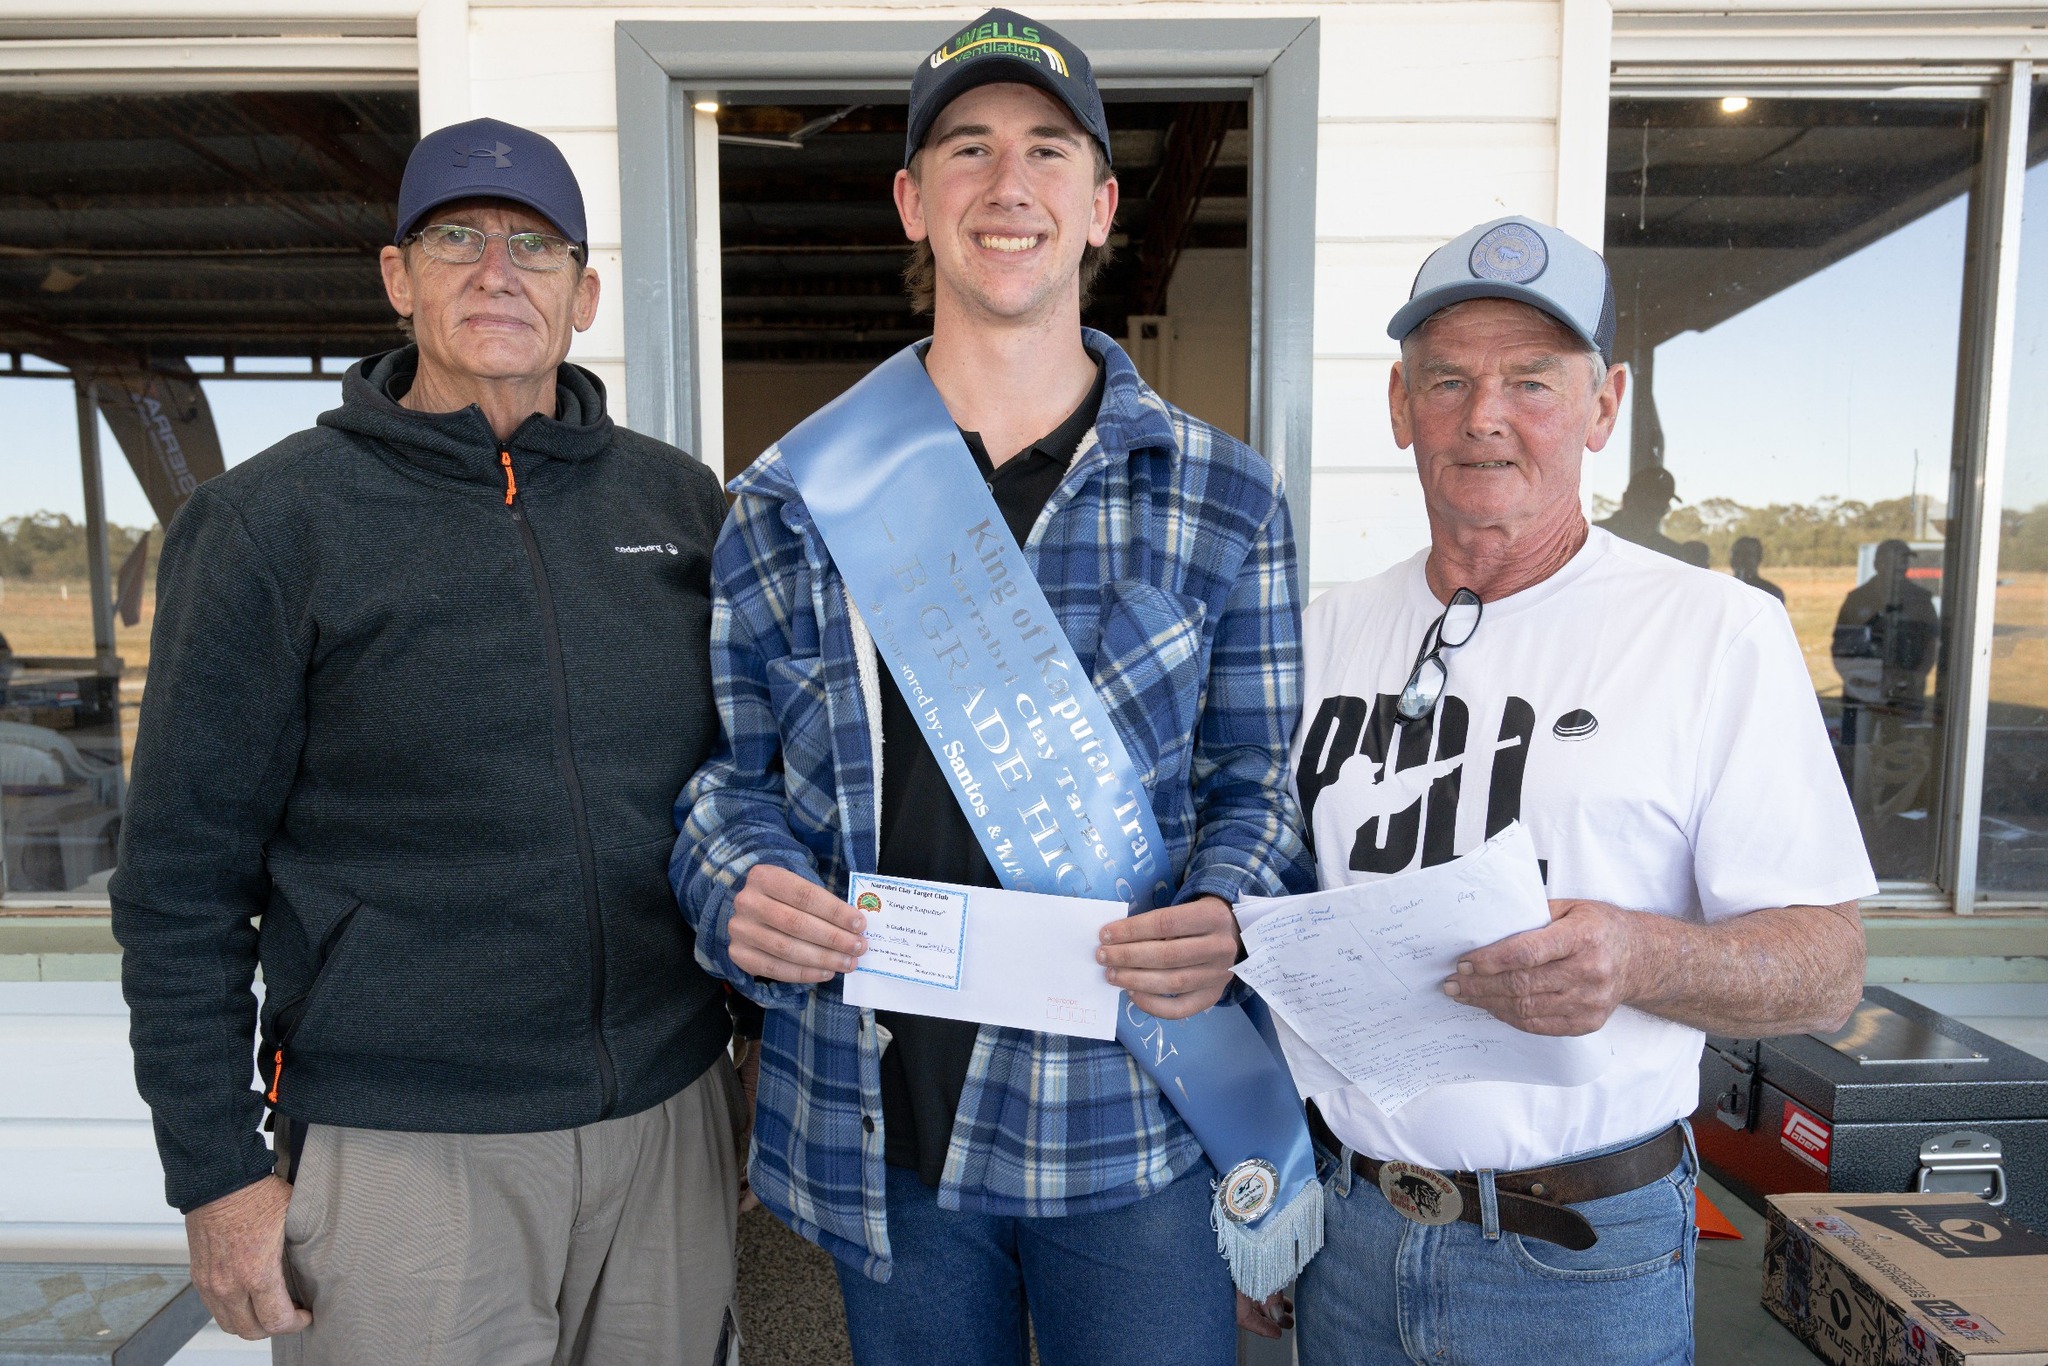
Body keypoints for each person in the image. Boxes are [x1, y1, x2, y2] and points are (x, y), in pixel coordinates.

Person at [672, 11, 1310, 1364]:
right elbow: (724, 783)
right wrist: (736, 882)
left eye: (1044, 150)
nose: (1005, 185)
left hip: (1130, 1120)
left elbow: (1257, 784)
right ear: (912, 200)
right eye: (964, 150)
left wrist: (1226, 909)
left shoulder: (1225, 496)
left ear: (1100, 204)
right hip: (878, 1129)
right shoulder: (792, 501)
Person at [111, 118, 744, 1365]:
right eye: (454, 237)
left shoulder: (682, 505)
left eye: (534, 245)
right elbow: (180, 882)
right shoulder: (267, 526)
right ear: (398, 279)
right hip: (406, 1145)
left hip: (666, 1121)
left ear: (583, 291)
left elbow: (746, 794)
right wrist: (215, 1174)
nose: (495, 271)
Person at [1282, 217, 1875, 1364]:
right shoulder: (1317, 635)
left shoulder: (1713, 632)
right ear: (1399, 408)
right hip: (1346, 1231)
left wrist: (1639, 957)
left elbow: (1827, 968)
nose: (1482, 413)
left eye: (1530, 380)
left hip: (1576, 1254)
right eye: (1444, 378)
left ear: (1603, 405)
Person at [1833, 538, 1939, 716]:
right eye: (1894, 561)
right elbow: (1841, 649)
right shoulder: (1857, 600)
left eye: (1904, 561)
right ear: (1877, 564)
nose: (1901, 566)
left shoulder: (1921, 600)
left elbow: (1931, 644)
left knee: (1901, 743)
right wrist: (1862, 682)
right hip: (1862, 696)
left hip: (1905, 696)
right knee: (1860, 741)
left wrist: (1916, 677)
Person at [1594, 463, 1687, 561]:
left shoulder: (1670, 552)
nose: (1654, 517)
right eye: (1649, 507)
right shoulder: (1592, 538)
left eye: (1662, 509)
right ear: (1627, 500)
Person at [1732, 535, 1785, 602]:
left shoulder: (1771, 593)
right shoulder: (1724, 588)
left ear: (1759, 558)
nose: (1740, 559)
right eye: (1736, 554)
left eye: (1747, 554)